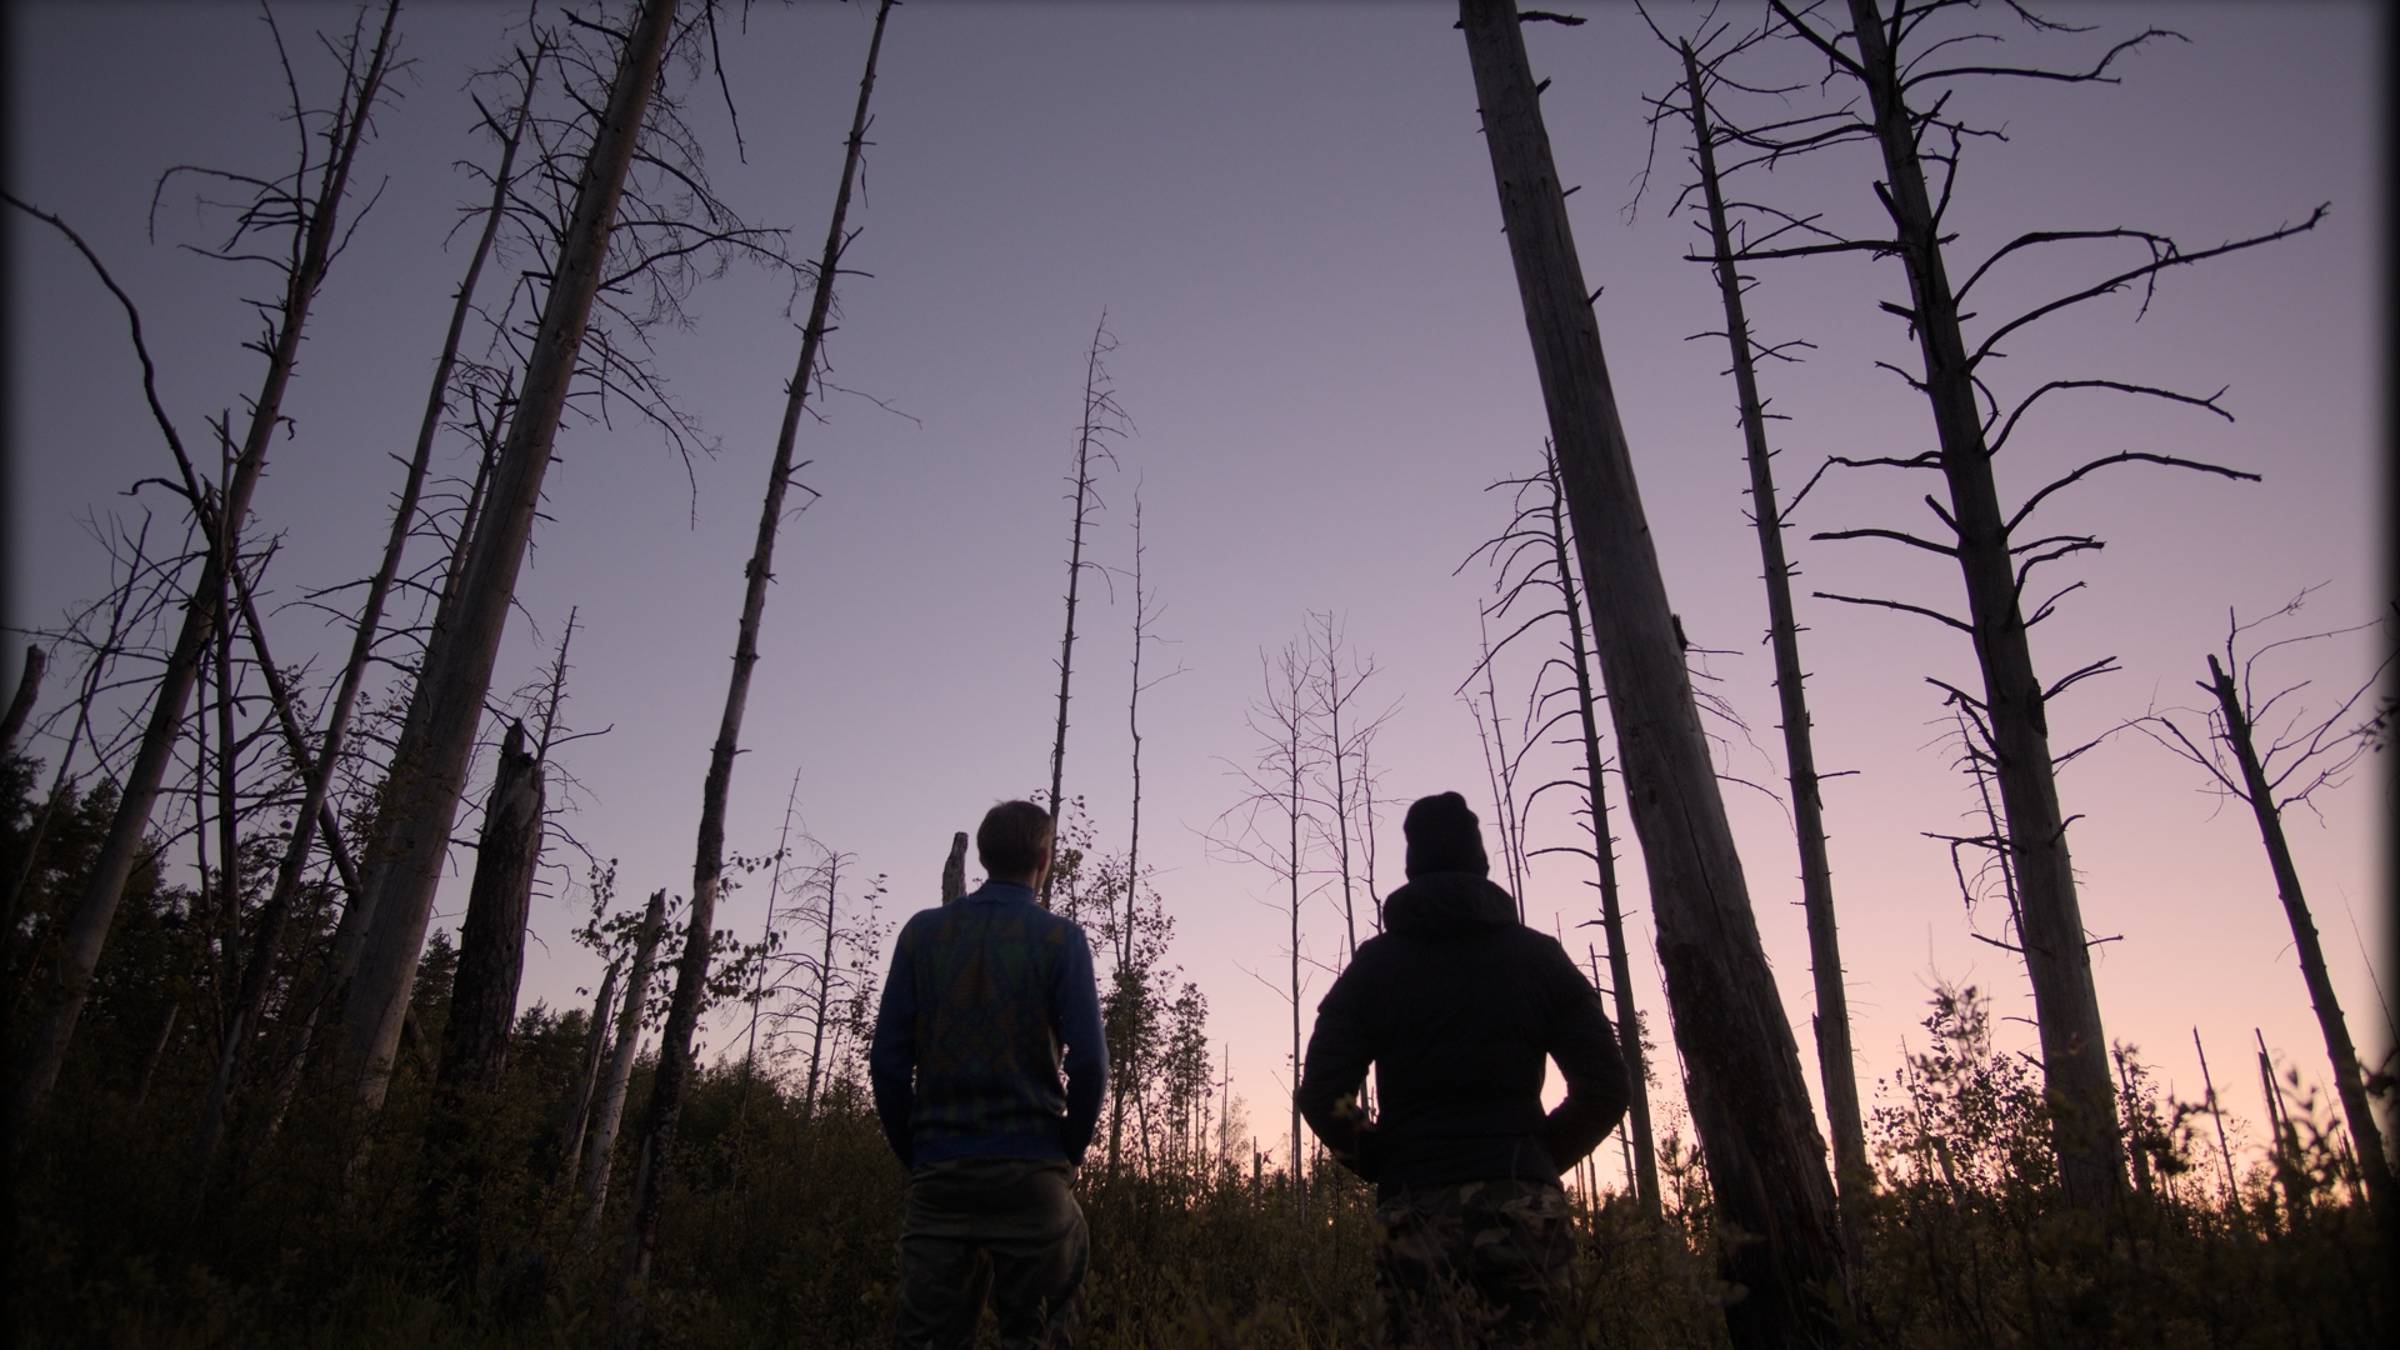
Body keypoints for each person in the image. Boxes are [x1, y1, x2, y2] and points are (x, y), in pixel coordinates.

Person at [1297, 791, 1630, 1346]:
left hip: (1415, 1207)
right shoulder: (1538, 958)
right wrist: (1533, 1159)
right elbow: (1606, 1087)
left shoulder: (1376, 967)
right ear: (1480, 861)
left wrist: (1387, 1162)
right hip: (1524, 1207)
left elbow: (1320, 1093)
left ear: (1412, 865)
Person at [869, 800, 1108, 1349]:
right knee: (1041, 1330)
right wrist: (1064, 1153)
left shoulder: (921, 935)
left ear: (982, 856)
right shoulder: (1060, 939)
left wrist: (920, 1154)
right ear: (1045, 858)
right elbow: (1091, 1065)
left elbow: (887, 1062)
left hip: (941, 1176)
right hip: (1032, 1175)